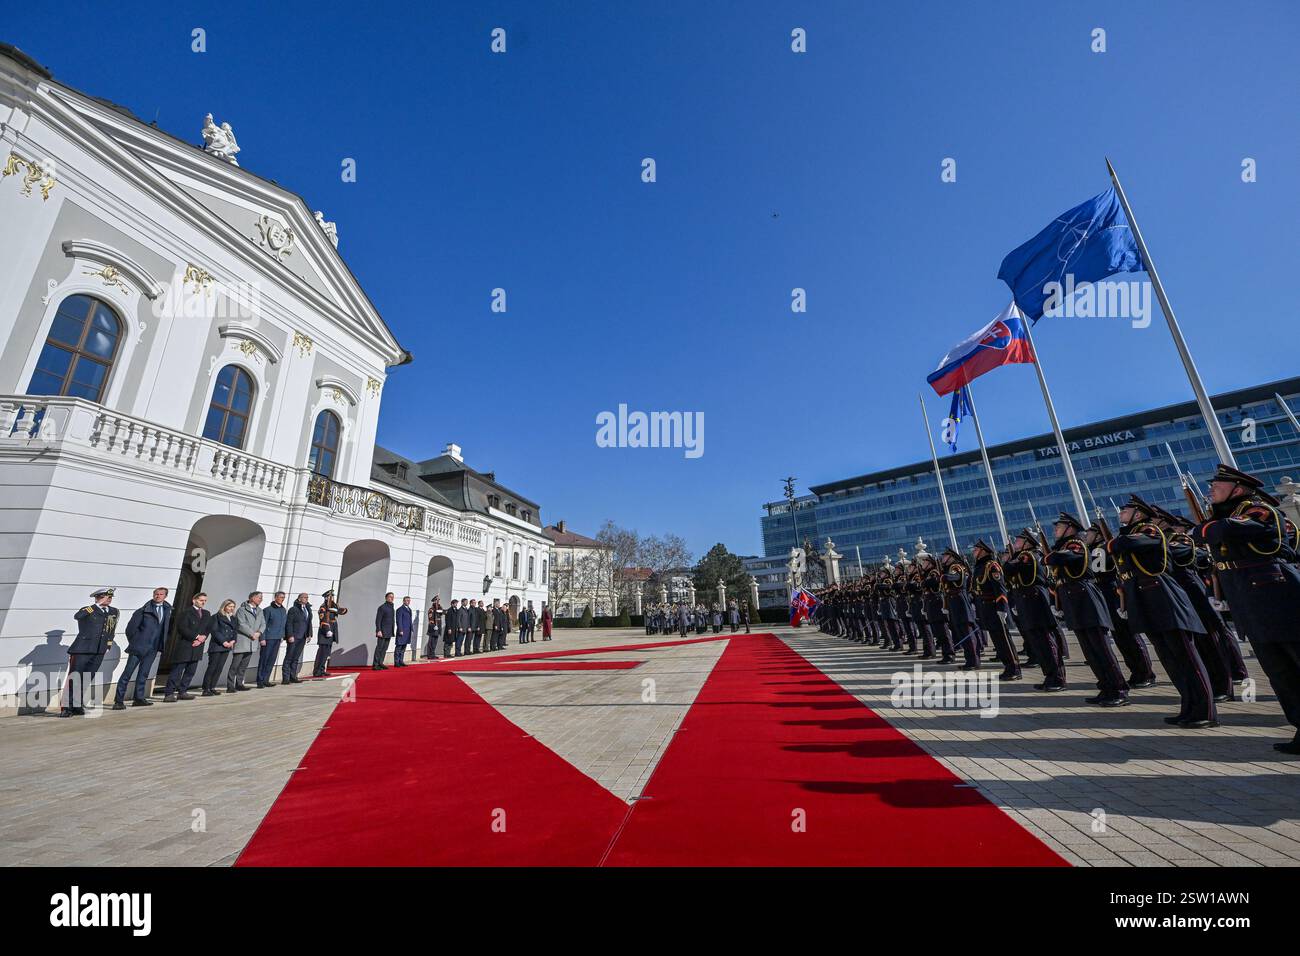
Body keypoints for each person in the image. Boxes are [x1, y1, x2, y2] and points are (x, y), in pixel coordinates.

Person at [1195, 463, 1300, 752]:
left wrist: (1209, 526)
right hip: (1250, 601)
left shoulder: (1259, 509)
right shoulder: (1228, 515)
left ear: (1238, 489)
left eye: (1218, 486)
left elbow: (1221, 530)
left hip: (1277, 596)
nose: (1211, 490)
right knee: (1280, 672)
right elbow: (1204, 534)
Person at [1109, 495, 1216, 729]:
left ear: (1138, 514)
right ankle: (1188, 706)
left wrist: (1115, 542)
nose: (1121, 513)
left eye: (1126, 510)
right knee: (1170, 658)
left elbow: (1122, 545)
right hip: (1145, 597)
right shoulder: (1132, 532)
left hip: (1163, 595)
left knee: (1186, 657)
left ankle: (1205, 711)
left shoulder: (1149, 530)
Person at [1045, 513, 1129, 707]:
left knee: (1101, 648)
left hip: (1086, 598)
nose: (1055, 530)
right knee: (1090, 651)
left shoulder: (1076, 544)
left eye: (1059, 527)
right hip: (1074, 600)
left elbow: (1058, 558)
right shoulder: (1064, 546)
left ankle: (1118, 689)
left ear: (1070, 528)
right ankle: (1106, 687)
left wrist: (1051, 555)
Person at [1006, 530, 1065, 691]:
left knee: (1046, 641)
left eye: (1019, 540)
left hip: (1036, 600)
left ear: (1027, 543)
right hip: (1027, 600)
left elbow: (1008, 568)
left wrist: (1013, 558)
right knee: (1038, 643)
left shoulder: (1029, 556)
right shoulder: (1024, 556)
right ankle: (1050, 676)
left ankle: (1057, 678)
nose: (1016, 542)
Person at [61, 588, 119, 717]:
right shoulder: (88, 610)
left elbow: (112, 629)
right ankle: (66, 707)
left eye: (110, 597)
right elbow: (77, 616)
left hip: (99, 650)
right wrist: (96, 605)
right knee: (74, 678)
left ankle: (77, 705)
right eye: (105, 597)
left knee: (86, 679)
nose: (108, 599)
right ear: (97, 598)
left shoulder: (114, 611)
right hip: (82, 650)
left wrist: (108, 644)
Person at [114, 586, 172, 709]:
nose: (158, 596)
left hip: (153, 648)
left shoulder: (167, 610)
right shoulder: (143, 611)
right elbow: (130, 629)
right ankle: (118, 701)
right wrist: (136, 642)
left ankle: (139, 698)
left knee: (144, 674)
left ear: (165, 596)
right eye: (156, 594)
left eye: (161, 594)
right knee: (127, 673)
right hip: (138, 648)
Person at [971, 541, 1020, 681]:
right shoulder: (980, 567)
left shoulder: (992, 566)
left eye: (976, 549)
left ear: (983, 551)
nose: (974, 552)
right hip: (986, 608)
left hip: (995, 607)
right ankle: (1008, 667)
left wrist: (1002, 608)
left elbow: (1000, 589)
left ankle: (1015, 669)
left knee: (1004, 640)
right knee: (998, 641)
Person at [164, 591, 210, 702]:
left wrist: (202, 638)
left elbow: (208, 628)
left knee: (190, 671)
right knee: (177, 671)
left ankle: (182, 691)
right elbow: (182, 628)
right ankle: (169, 693)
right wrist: (196, 637)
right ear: (194, 600)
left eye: (205, 601)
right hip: (185, 645)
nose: (203, 602)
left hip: (198, 647)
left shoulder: (206, 613)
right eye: (201, 600)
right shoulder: (186, 612)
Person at [202, 600, 238, 696]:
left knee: (219, 668)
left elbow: (235, 631)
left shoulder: (233, 618)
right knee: (212, 667)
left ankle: (212, 687)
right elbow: (214, 631)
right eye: (229, 606)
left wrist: (233, 641)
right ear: (224, 606)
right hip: (217, 646)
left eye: (233, 606)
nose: (231, 608)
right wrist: (224, 642)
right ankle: (206, 689)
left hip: (227, 646)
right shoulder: (216, 616)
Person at [230, 592, 264, 692]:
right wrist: (252, 634)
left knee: (243, 665)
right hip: (243, 641)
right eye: (259, 597)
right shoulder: (242, 610)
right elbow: (241, 624)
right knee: (235, 665)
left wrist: (259, 632)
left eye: (261, 598)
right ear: (252, 598)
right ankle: (230, 685)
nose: (261, 599)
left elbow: (263, 623)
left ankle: (239, 684)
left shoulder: (260, 611)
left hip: (252, 642)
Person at [257, 591, 287, 688]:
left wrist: (282, 636)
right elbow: (263, 625)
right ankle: (260, 680)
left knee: (271, 660)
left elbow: (283, 624)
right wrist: (262, 638)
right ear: (276, 597)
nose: (282, 599)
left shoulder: (283, 610)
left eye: (283, 597)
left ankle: (266, 679)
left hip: (277, 638)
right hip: (268, 638)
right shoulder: (268, 610)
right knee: (264, 659)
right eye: (281, 597)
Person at [315, 589, 347, 677]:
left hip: (332, 630)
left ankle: (322, 670)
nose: (332, 598)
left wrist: (338, 609)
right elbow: (323, 619)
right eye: (330, 596)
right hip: (325, 632)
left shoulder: (333, 606)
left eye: (332, 596)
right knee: (322, 653)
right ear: (326, 598)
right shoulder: (323, 607)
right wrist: (327, 630)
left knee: (326, 654)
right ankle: (317, 671)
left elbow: (341, 611)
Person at [283, 593, 312, 683]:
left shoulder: (307, 609)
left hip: (303, 637)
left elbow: (308, 623)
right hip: (294, 636)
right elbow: (289, 623)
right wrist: (290, 635)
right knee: (289, 657)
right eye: (304, 597)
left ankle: (293, 676)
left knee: (296, 658)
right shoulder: (293, 609)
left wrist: (309, 634)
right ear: (299, 599)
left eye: (307, 597)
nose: (306, 599)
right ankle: (286, 678)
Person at [374, 592, 395, 670]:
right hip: (382, 631)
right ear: (386, 598)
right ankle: (375, 665)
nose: (392, 598)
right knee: (379, 648)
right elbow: (378, 620)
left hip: (389, 632)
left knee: (384, 649)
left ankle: (380, 663)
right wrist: (378, 630)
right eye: (390, 597)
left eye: (393, 597)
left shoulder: (392, 608)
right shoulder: (382, 607)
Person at [395, 595, 413, 666]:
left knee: (404, 647)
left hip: (407, 631)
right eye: (407, 600)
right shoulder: (400, 609)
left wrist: (411, 628)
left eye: (409, 600)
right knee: (399, 646)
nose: (408, 602)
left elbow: (410, 620)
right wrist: (400, 630)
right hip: (402, 631)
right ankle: (396, 662)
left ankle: (401, 661)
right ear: (403, 601)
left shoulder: (409, 609)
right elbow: (399, 621)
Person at [425, 595, 443, 659]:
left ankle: (433, 654)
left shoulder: (438, 609)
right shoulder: (431, 609)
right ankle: (429, 654)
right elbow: (430, 619)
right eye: (437, 600)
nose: (438, 602)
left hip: (438, 627)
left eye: (438, 600)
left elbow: (442, 612)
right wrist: (433, 625)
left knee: (435, 642)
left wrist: (438, 607)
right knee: (431, 641)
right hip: (433, 627)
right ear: (434, 601)